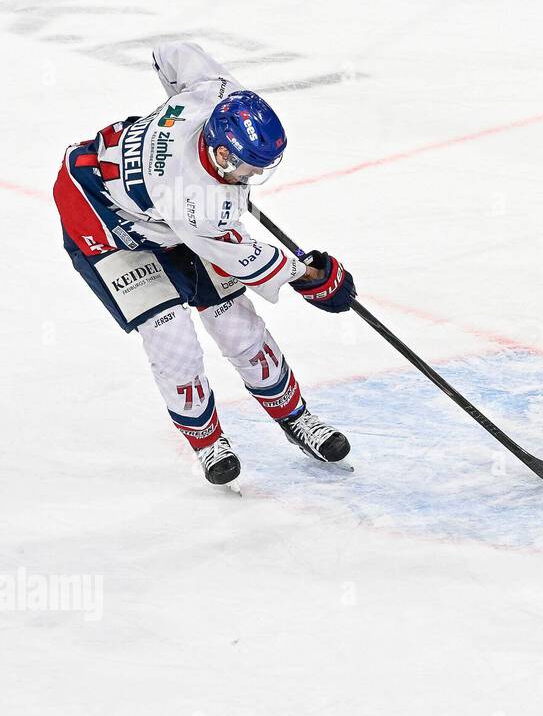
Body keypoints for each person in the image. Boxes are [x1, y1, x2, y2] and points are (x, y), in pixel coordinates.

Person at [53, 42, 355, 488]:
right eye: (244, 169)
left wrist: (172, 112)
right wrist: (308, 276)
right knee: (170, 335)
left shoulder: (217, 94)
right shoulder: (194, 198)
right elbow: (248, 259)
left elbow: (171, 53)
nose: (250, 177)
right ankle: (208, 442)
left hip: (163, 212)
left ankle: (298, 419)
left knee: (237, 327)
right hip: (103, 220)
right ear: (219, 151)